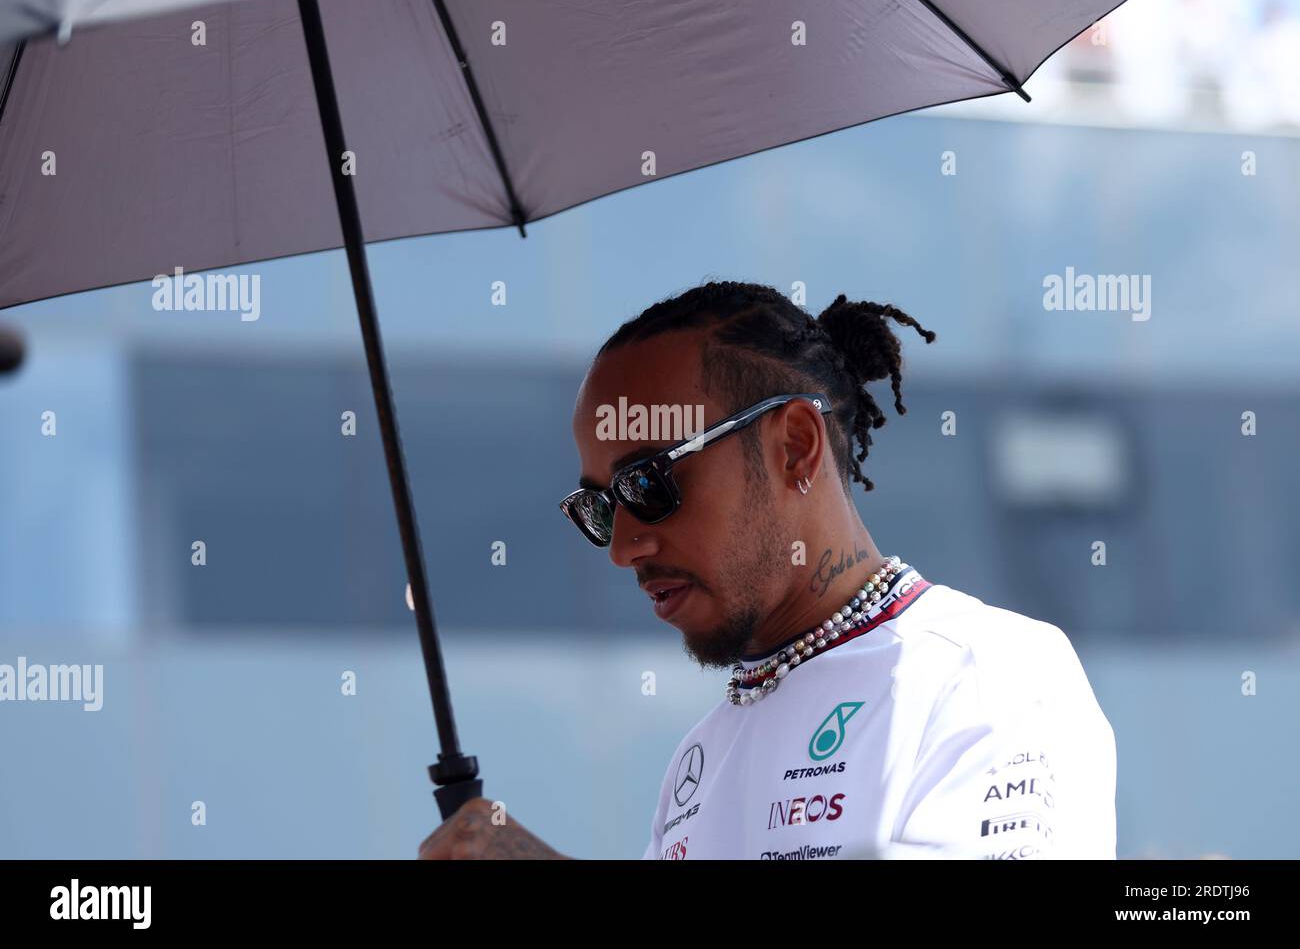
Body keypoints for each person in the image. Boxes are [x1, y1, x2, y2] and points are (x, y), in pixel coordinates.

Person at [419, 281, 1116, 860]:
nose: (622, 546)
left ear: (794, 447)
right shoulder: (698, 760)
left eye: (647, 483)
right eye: (598, 507)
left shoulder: (994, 673)